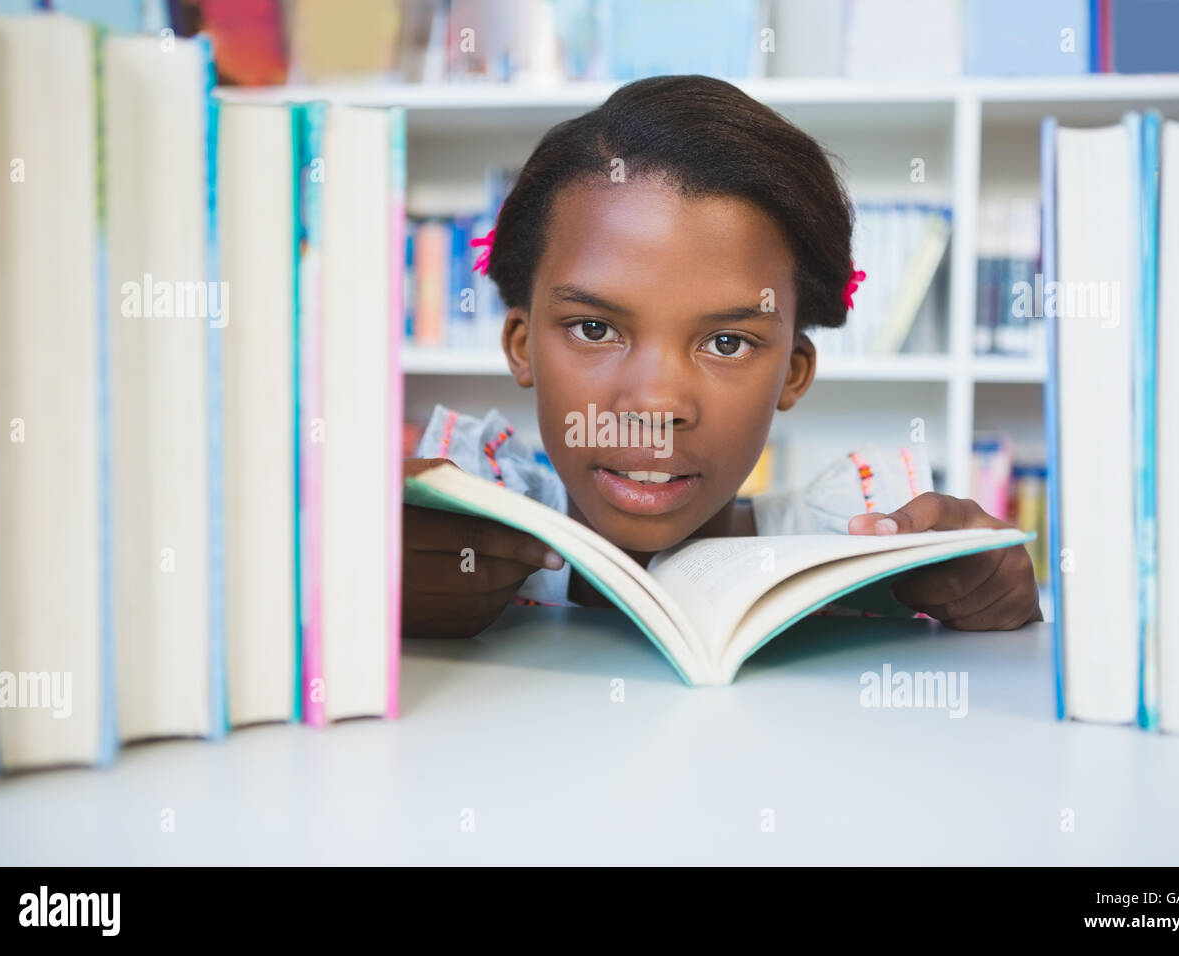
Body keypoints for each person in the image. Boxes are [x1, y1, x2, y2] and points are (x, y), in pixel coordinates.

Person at [404, 75, 1041, 639]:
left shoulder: (860, 553)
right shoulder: (438, 545)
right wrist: (359, 595)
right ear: (522, 347)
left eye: (727, 343)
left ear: (793, 373)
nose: (655, 403)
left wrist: (1000, 606)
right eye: (594, 329)